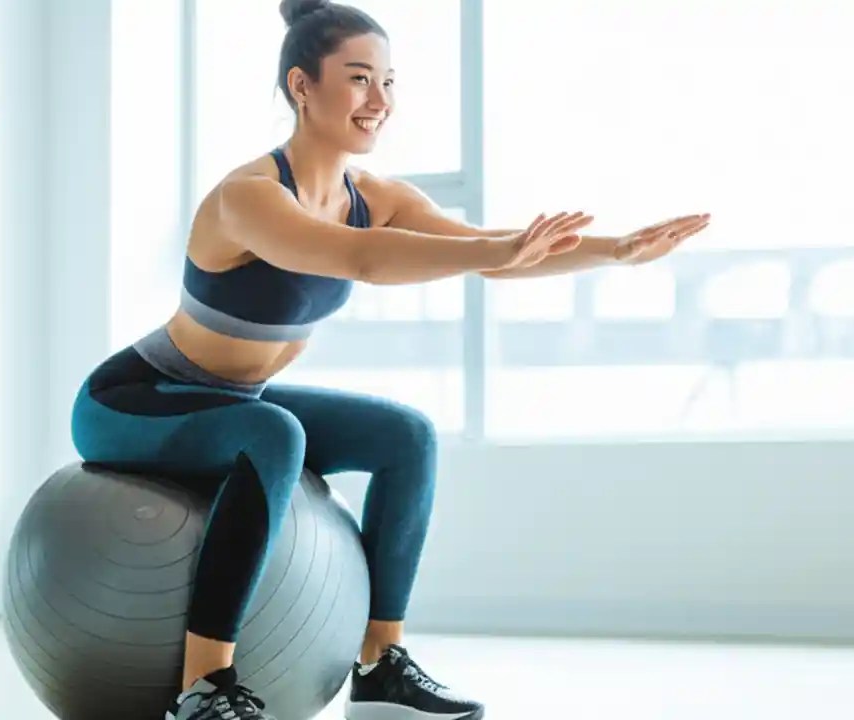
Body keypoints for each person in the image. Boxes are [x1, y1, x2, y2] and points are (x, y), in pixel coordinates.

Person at [70, 1, 710, 718]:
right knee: (276, 435)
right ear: (301, 87)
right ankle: (203, 689)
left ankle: (380, 663)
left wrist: (614, 251)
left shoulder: (372, 196)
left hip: (233, 404)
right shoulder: (248, 198)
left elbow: (492, 251)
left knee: (405, 436)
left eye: (389, 81)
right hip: (136, 400)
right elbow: (365, 260)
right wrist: (494, 250)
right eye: (359, 79)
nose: (380, 101)